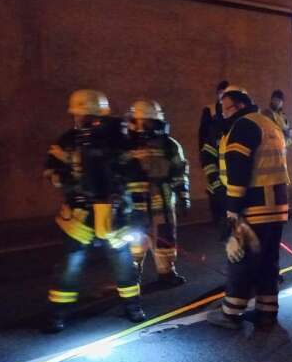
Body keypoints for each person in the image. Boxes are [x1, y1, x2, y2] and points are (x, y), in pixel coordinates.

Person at [41, 89, 146, 333]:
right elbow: (51, 170)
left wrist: (136, 210)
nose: (81, 120)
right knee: (71, 264)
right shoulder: (68, 140)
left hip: (114, 212)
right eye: (79, 115)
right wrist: (68, 180)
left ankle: (132, 305)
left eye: (84, 115)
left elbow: (135, 174)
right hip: (80, 215)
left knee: (121, 263)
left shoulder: (121, 140)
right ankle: (58, 312)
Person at [207, 87, 290, 330]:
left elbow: (238, 170)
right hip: (276, 204)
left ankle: (231, 313)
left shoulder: (242, 127)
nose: (223, 115)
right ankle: (267, 311)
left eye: (226, 109)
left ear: (240, 106)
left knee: (240, 258)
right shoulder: (268, 123)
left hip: (255, 205)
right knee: (268, 260)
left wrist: (232, 212)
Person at [125, 99, 191, 286]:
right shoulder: (126, 145)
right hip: (135, 202)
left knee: (165, 238)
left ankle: (166, 273)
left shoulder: (170, 145)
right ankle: (131, 274)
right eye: (140, 120)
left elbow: (180, 171)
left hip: (162, 201)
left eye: (147, 121)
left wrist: (183, 197)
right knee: (135, 240)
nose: (142, 125)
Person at [198, 80, 229, 226]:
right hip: (213, 151)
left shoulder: (231, 110)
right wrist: (203, 154)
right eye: (221, 93)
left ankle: (226, 221)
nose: (223, 96)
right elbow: (203, 134)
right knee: (214, 185)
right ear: (217, 94)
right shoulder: (210, 110)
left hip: (226, 153)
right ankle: (218, 220)